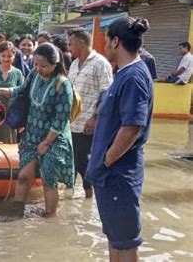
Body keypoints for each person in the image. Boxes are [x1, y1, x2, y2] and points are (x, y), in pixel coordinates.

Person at [86, 17, 153, 261]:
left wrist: (106, 162)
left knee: (125, 246)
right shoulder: (125, 73)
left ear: (116, 41)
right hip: (112, 175)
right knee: (116, 242)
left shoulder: (134, 76)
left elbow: (132, 127)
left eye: (105, 41)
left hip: (119, 175)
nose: (103, 46)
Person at [0, 43, 74, 217]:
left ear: (55, 65)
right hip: (32, 134)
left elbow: (61, 118)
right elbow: (21, 90)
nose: (39, 69)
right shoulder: (34, 75)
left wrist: (47, 142)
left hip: (54, 139)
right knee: (23, 176)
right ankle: (16, 211)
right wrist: (1, 91)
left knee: (49, 181)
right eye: (36, 64)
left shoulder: (62, 85)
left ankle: (49, 217)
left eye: (44, 66)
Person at [67, 27, 113, 198]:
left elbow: (107, 94)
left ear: (81, 43)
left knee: (85, 163)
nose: (69, 47)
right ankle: (69, 195)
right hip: (71, 123)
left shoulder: (100, 63)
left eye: (71, 44)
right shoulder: (73, 64)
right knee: (71, 161)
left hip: (89, 125)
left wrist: (95, 118)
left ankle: (89, 197)